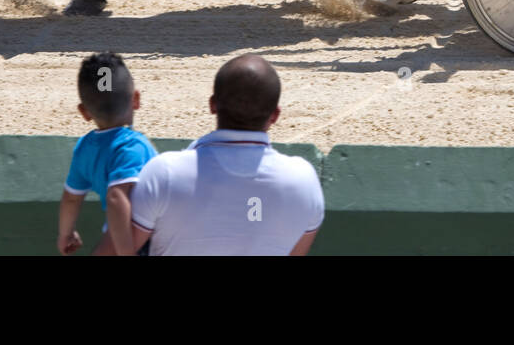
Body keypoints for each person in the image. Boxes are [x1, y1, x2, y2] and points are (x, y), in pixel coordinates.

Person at [128, 54, 324, 255]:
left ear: (212, 104)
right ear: (275, 115)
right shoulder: (304, 179)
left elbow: (120, 249)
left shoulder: (163, 172)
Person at [57, 51, 157, 256]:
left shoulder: (85, 147)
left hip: (115, 238)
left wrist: (65, 234)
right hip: (146, 242)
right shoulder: (133, 146)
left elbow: (71, 198)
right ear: (136, 99)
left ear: (84, 112)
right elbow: (116, 197)